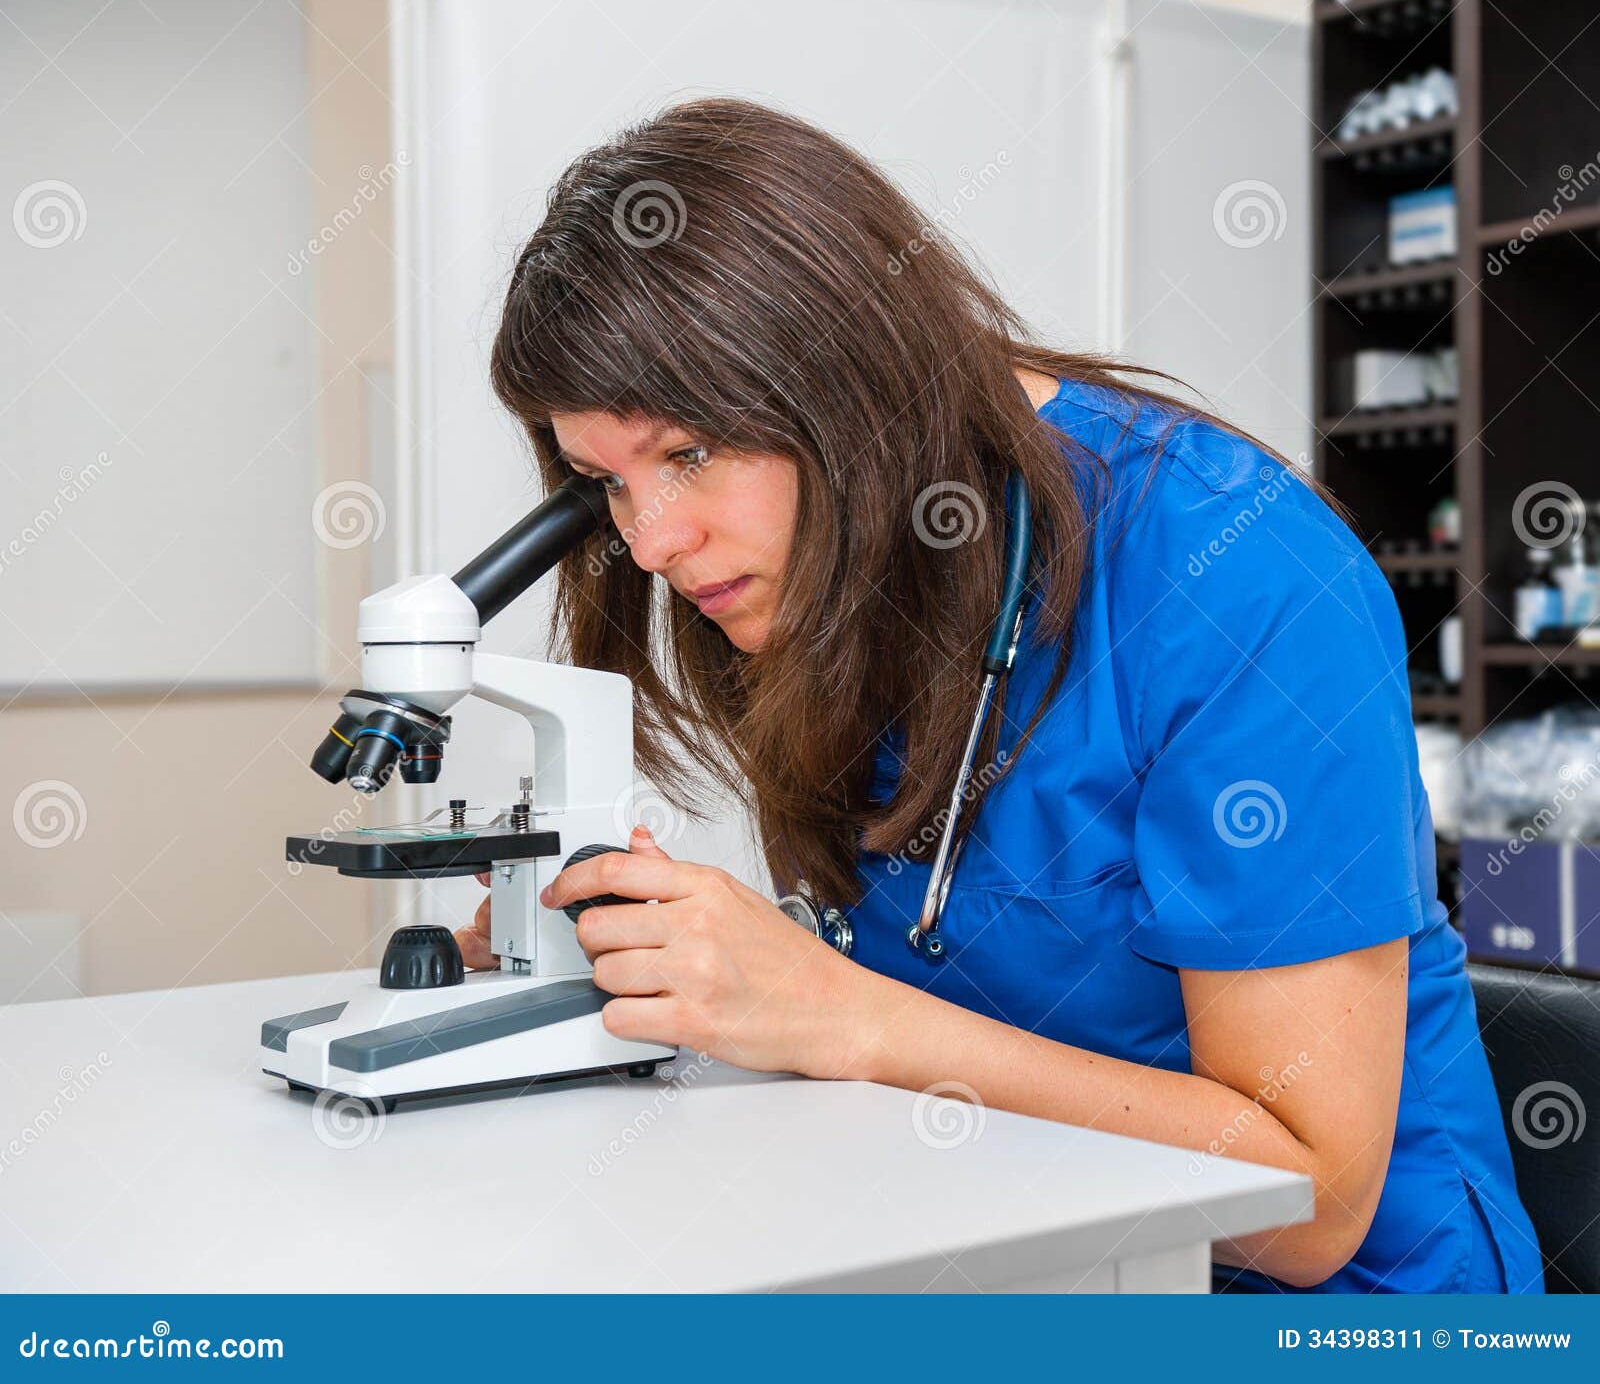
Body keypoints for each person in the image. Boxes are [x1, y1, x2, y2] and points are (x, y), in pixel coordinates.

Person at [455, 97, 1542, 1294]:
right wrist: (635, 960)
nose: (651, 540)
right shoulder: (805, 567)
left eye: (689, 453)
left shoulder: (1236, 571)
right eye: (607, 482)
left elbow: (1305, 1202)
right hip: (1014, 1248)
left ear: (849, 383)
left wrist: (836, 1013)